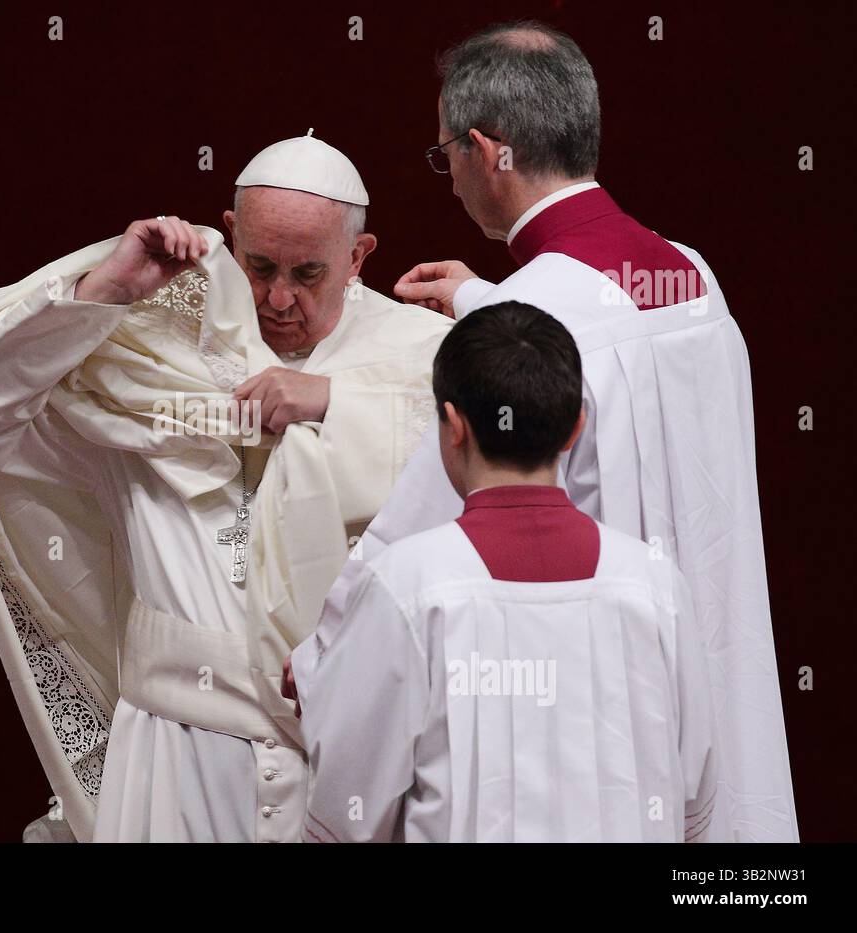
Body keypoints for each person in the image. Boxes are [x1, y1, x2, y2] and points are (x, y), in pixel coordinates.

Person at [0, 133, 452, 842]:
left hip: (344, 756)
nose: (279, 298)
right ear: (228, 236)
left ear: (360, 255)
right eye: (258, 267)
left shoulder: (423, 356)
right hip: (177, 749)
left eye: (308, 273)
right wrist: (109, 290)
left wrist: (331, 405)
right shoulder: (142, 342)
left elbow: (469, 473)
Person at [307, 20, 795, 842]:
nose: (449, 179)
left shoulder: (537, 315)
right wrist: (484, 298)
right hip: (708, 667)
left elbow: (428, 519)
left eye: (445, 155)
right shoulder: (695, 277)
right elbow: (599, 320)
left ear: (485, 148)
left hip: (584, 711)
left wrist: (324, 655)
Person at [299, 301, 721, 843]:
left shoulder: (406, 583)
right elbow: (694, 794)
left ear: (453, 426)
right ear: (576, 428)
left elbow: (347, 805)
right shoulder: (655, 583)